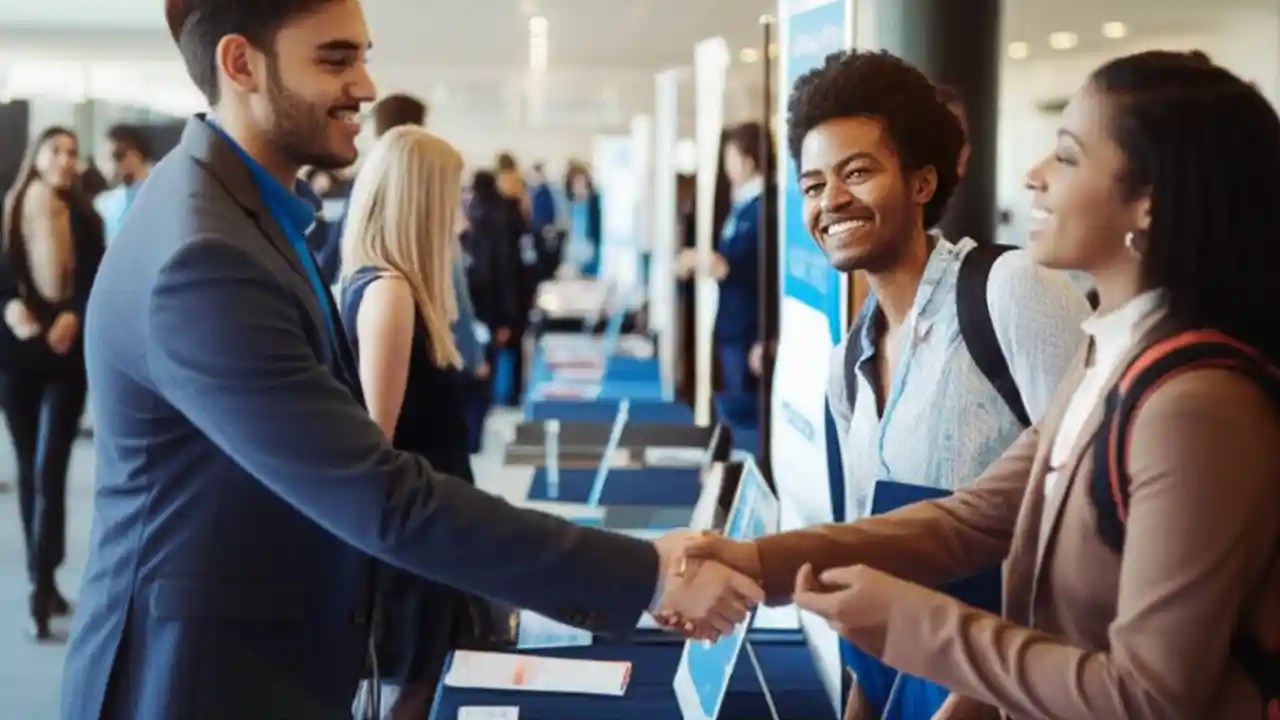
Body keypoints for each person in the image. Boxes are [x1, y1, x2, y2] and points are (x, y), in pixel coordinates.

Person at [63, 2, 762, 718]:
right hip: (199, 682)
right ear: (241, 64)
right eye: (335, 60)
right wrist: (645, 574)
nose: (366, 86)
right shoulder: (204, 254)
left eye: (363, 56)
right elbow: (380, 495)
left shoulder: (247, 217)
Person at [684, 50, 1280, 720]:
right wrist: (755, 560)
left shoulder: (1194, 403)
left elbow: (1149, 699)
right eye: (814, 182)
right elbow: (970, 520)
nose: (1034, 176)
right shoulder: (1109, 358)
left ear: (1149, 200)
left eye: (1068, 156)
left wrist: (912, 624)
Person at [672, 50, 1090, 719]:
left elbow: (1085, 533)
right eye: (812, 186)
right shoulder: (847, 368)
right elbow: (875, 564)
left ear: (922, 181)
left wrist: (982, 694)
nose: (831, 200)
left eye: (857, 172)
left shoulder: (1011, 292)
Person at [338, 125, 490, 718]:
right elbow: (378, 446)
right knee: (416, 690)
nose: (463, 218)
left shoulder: (388, 285)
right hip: (419, 537)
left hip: (431, 524)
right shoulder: (390, 292)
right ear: (421, 201)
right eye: (453, 199)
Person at [0, 126, 104, 642]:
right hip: (17, 356)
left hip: (65, 357)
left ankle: (44, 575)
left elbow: (96, 285)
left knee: (50, 467)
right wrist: (9, 307)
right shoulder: (10, 212)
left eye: (72, 152)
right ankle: (39, 581)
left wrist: (75, 314)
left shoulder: (86, 218)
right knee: (27, 470)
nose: (65, 160)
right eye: (56, 150)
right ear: (36, 156)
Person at [676, 122, 769, 396]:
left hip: (748, 327)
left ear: (749, 160)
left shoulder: (762, 210)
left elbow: (760, 273)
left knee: (744, 407)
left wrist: (718, 266)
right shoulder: (741, 207)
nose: (727, 167)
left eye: (731, 158)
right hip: (732, 322)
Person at [464, 169, 527, 406]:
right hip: (511, 297)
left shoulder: (482, 218)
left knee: (489, 352)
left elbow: (495, 267)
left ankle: (493, 397)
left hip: (490, 299)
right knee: (513, 350)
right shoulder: (508, 213)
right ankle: (513, 395)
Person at [93, 124, 153, 245]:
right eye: (104, 158)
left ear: (135, 155)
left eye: (115, 157)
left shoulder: (160, 193)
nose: (107, 166)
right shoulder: (104, 202)